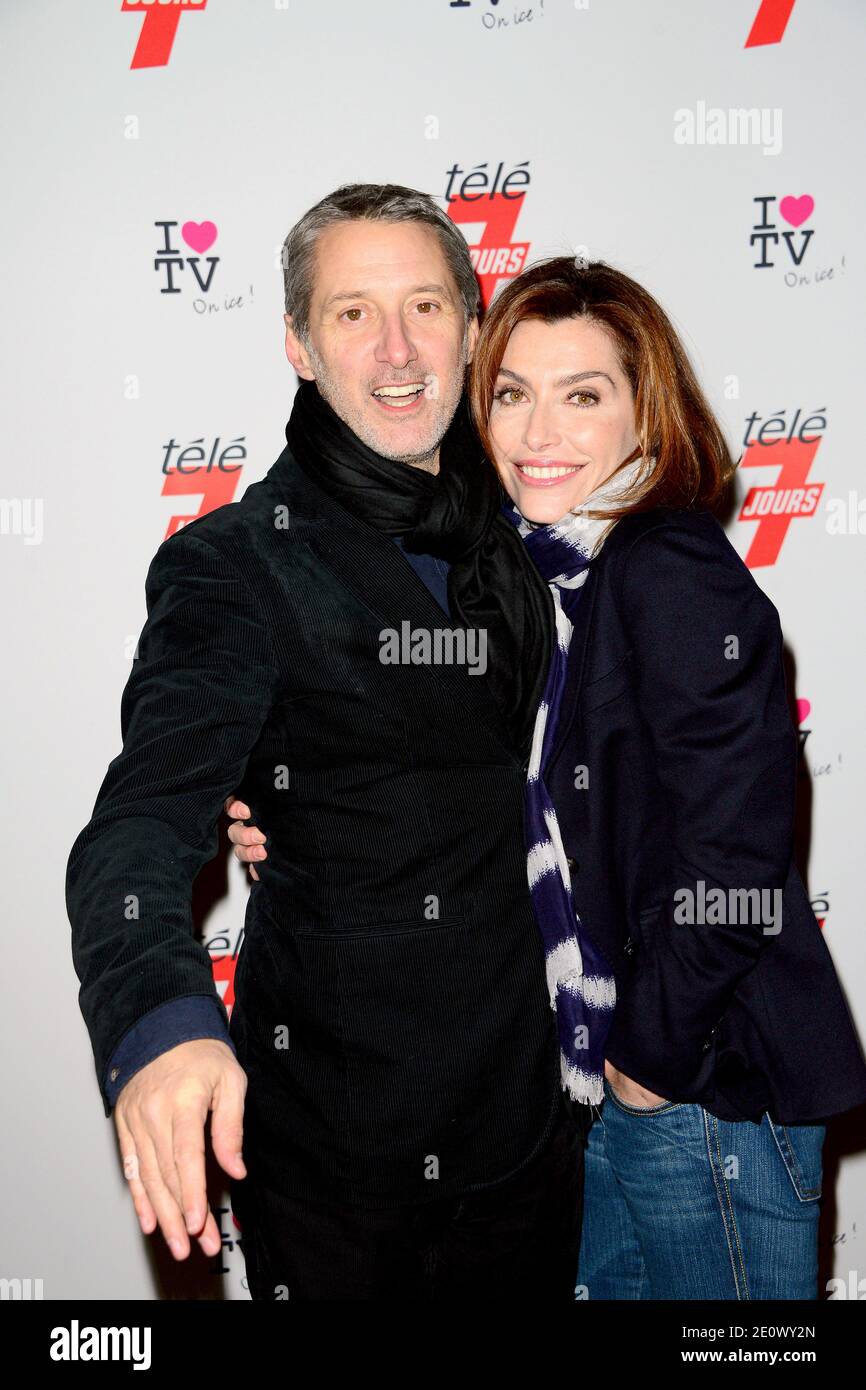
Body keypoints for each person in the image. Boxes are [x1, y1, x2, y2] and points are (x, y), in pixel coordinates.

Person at [233, 253, 866, 1300]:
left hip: (700, 1092)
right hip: (592, 1095)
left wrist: (648, 1056)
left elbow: (739, 858)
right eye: (512, 395)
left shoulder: (664, 567)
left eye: (583, 397)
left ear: (645, 414)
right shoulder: (535, 585)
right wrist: (281, 806)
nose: (538, 434)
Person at [65, 186, 590, 1301]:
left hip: (533, 1127)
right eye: (352, 314)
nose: (396, 349)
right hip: (343, 1160)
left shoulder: (532, 527)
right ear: (299, 345)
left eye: (424, 306)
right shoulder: (238, 565)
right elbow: (138, 828)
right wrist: (159, 1023)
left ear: (469, 324)